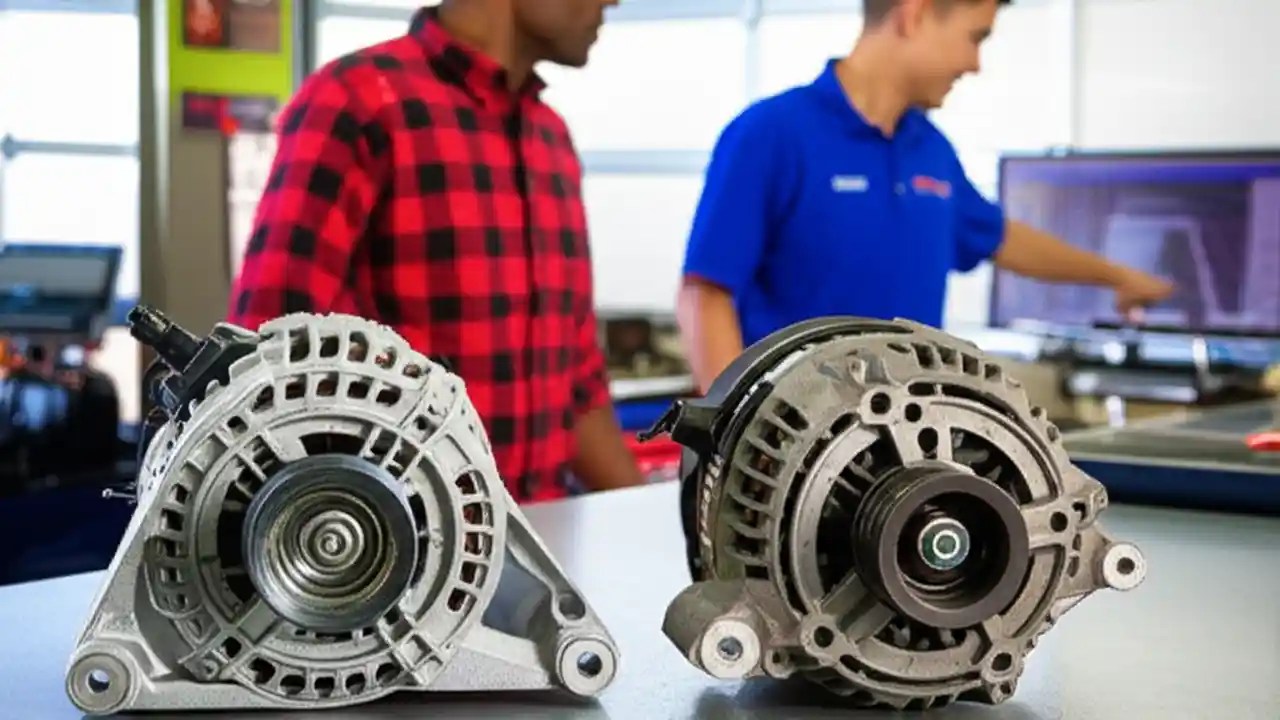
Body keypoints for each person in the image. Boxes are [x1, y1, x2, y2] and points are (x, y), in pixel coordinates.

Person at [226, 0, 645, 503]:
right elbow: (272, 358)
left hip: (543, 553)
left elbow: (578, 391)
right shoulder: (359, 101)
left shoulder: (550, 139)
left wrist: (676, 543)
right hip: (404, 552)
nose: (613, 3)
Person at [676, 0, 1176, 392]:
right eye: (974, 38)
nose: (975, 64)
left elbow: (1000, 238)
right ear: (914, 14)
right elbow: (705, 294)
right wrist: (731, 432)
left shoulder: (931, 151)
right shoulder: (771, 134)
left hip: (903, 440)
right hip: (792, 450)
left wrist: (1116, 277)